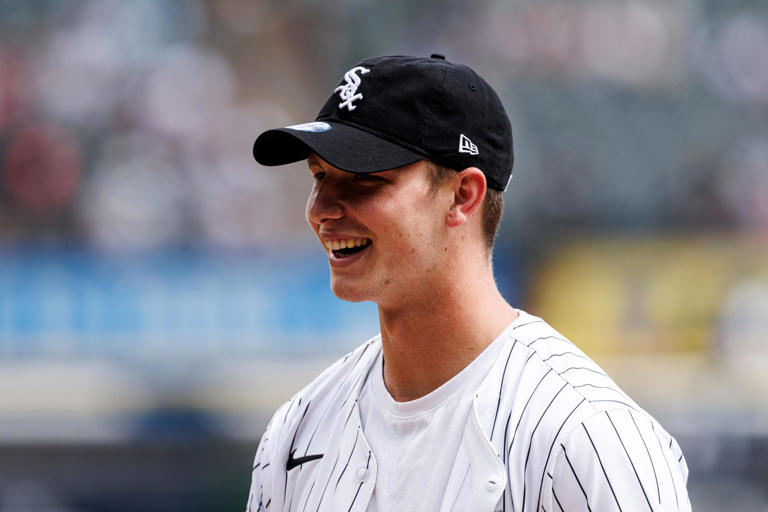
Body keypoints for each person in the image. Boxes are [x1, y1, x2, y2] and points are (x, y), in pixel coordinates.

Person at [247, 54, 691, 512]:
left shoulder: (588, 437)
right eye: (319, 176)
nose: (322, 209)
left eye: (363, 179)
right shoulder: (297, 430)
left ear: (462, 196)